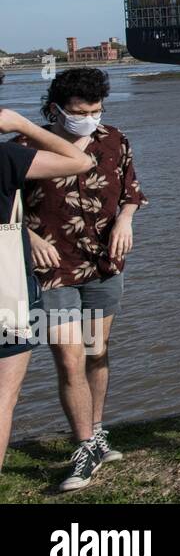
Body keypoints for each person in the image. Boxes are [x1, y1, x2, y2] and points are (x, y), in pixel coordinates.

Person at [17, 68, 147, 491]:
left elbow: (131, 193)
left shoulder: (114, 139)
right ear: (56, 109)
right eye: (81, 112)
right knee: (68, 359)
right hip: (53, 270)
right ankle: (83, 446)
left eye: (96, 110)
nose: (91, 118)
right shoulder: (24, 146)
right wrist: (28, 236)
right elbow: (5, 208)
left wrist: (126, 221)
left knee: (97, 352)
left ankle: (96, 429)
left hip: (105, 265)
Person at [0, 106, 94, 475]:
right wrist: (22, 124)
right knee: (3, 398)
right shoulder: (8, 156)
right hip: (6, 286)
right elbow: (79, 161)